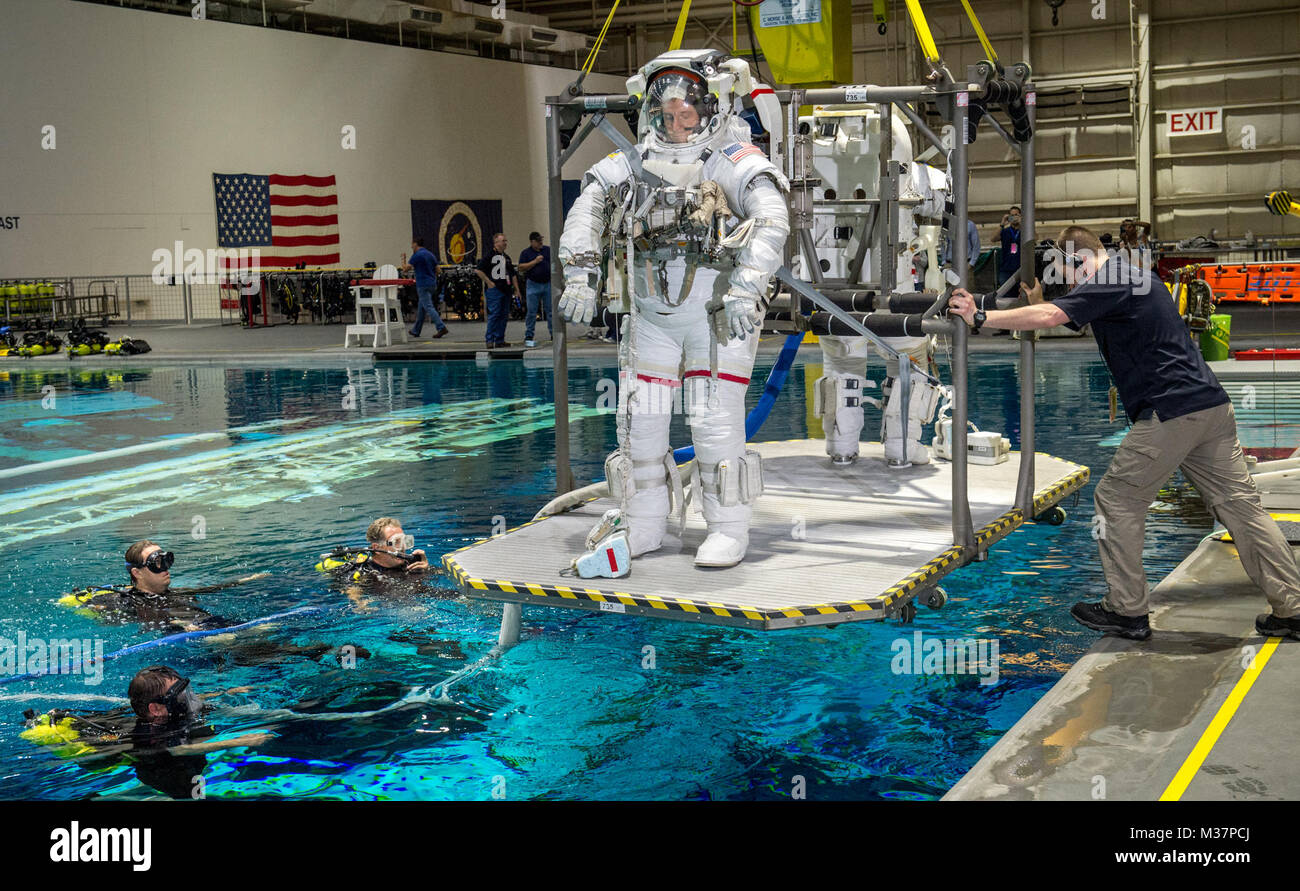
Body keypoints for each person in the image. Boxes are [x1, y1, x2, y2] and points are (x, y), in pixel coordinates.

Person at [947, 224, 1300, 641]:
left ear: (1079, 260)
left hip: (1171, 413)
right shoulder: (1133, 275)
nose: (1068, 283)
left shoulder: (1111, 277)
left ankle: (1127, 609)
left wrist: (980, 315)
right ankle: (1292, 608)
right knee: (1243, 509)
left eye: (1067, 273)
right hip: (1210, 407)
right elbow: (1068, 314)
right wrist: (1039, 303)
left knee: (1116, 500)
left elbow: (1054, 315)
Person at [557, 49, 790, 567]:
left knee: (712, 421)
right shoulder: (634, 162)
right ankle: (645, 525)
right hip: (651, 320)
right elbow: (587, 204)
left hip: (716, 316)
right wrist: (579, 272)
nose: (676, 123)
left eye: (687, 113)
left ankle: (728, 527)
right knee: (641, 422)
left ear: (711, 110)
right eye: (666, 113)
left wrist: (746, 290)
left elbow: (772, 219)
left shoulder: (730, 159)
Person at [316, 516, 432, 607]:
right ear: (377, 547)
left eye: (404, 541)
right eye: (396, 542)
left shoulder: (410, 564)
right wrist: (360, 604)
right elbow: (352, 592)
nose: (402, 547)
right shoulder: (363, 572)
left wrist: (426, 569)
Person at [476, 233, 521, 349]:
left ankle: (500, 339)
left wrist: (517, 290)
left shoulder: (506, 257)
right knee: (494, 315)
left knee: (504, 315)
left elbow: (513, 275)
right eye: (502, 241)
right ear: (496, 243)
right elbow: (479, 270)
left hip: (506, 290)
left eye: (506, 240)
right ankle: (490, 339)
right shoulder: (489, 256)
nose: (505, 243)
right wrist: (489, 282)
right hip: (495, 290)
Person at [401, 237, 449, 339]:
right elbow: (438, 270)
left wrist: (403, 259)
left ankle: (441, 327)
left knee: (428, 307)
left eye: (412, 244)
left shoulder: (416, 255)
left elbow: (405, 269)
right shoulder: (430, 254)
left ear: (415, 244)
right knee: (421, 308)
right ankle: (416, 330)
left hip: (422, 284)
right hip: (432, 284)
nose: (411, 246)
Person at [517, 231, 553, 348]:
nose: (540, 243)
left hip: (547, 284)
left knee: (550, 311)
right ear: (532, 242)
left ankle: (553, 333)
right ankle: (529, 335)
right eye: (538, 241)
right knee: (532, 312)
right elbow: (521, 267)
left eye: (541, 240)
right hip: (533, 285)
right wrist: (535, 262)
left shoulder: (547, 250)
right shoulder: (526, 253)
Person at [997, 205, 1021, 288]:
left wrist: (1023, 223)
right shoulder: (1006, 231)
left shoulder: (1025, 230)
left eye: (1016, 215)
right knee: (1004, 293)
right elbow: (993, 238)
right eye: (1012, 215)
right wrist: (1002, 223)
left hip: (1021, 268)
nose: (1014, 217)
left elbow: (1035, 238)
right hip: (1006, 269)